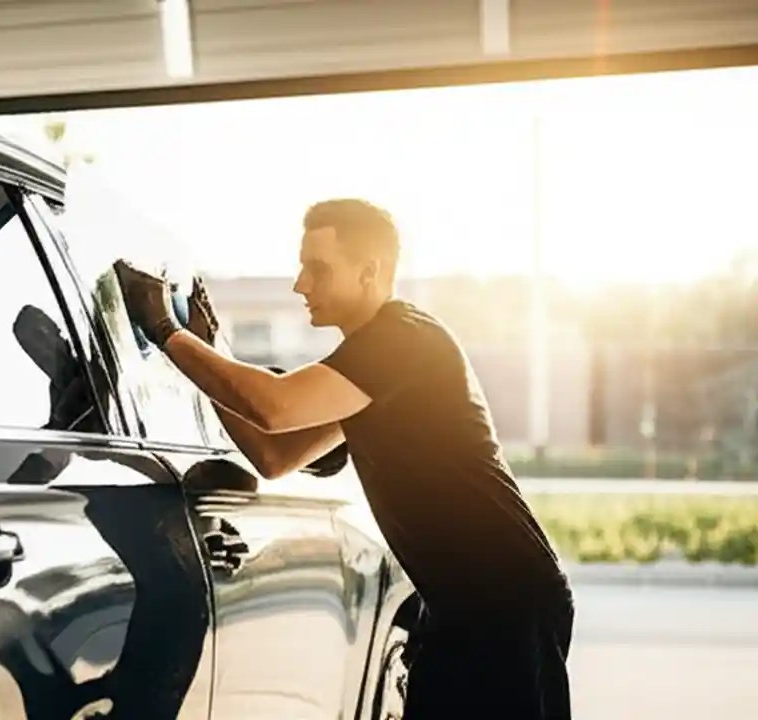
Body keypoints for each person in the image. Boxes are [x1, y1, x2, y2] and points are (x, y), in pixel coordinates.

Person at [114, 198, 574, 719]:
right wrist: (206, 343)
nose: (300, 284)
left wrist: (167, 332)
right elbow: (275, 452)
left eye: (318, 268)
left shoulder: (403, 340)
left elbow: (273, 406)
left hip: (505, 608)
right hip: (464, 609)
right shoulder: (370, 368)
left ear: (370, 271)